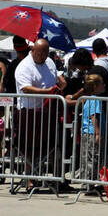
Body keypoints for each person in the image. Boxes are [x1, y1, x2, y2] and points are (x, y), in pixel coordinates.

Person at [15, 38, 66, 183]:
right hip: (29, 111)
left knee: (52, 144)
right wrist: (46, 91)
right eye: (40, 53)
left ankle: (55, 178)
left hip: (48, 110)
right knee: (30, 146)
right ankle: (30, 177)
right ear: (32, 51)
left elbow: (55, 77)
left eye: (46, 52)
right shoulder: (24, 66)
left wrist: (60, 81)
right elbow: (25, 88)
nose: (43, 56)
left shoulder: (49, 62)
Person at [78, 70, 108, 193]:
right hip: (92, 132)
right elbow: (93, 116)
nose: (104, 85)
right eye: (102, 83)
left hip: (87, 132)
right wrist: (97, 133)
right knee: (92, 157)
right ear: (96, 86)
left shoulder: (89, 99)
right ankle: (89, 183)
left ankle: (87, 182)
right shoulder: (95, 99)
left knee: (88, 157)